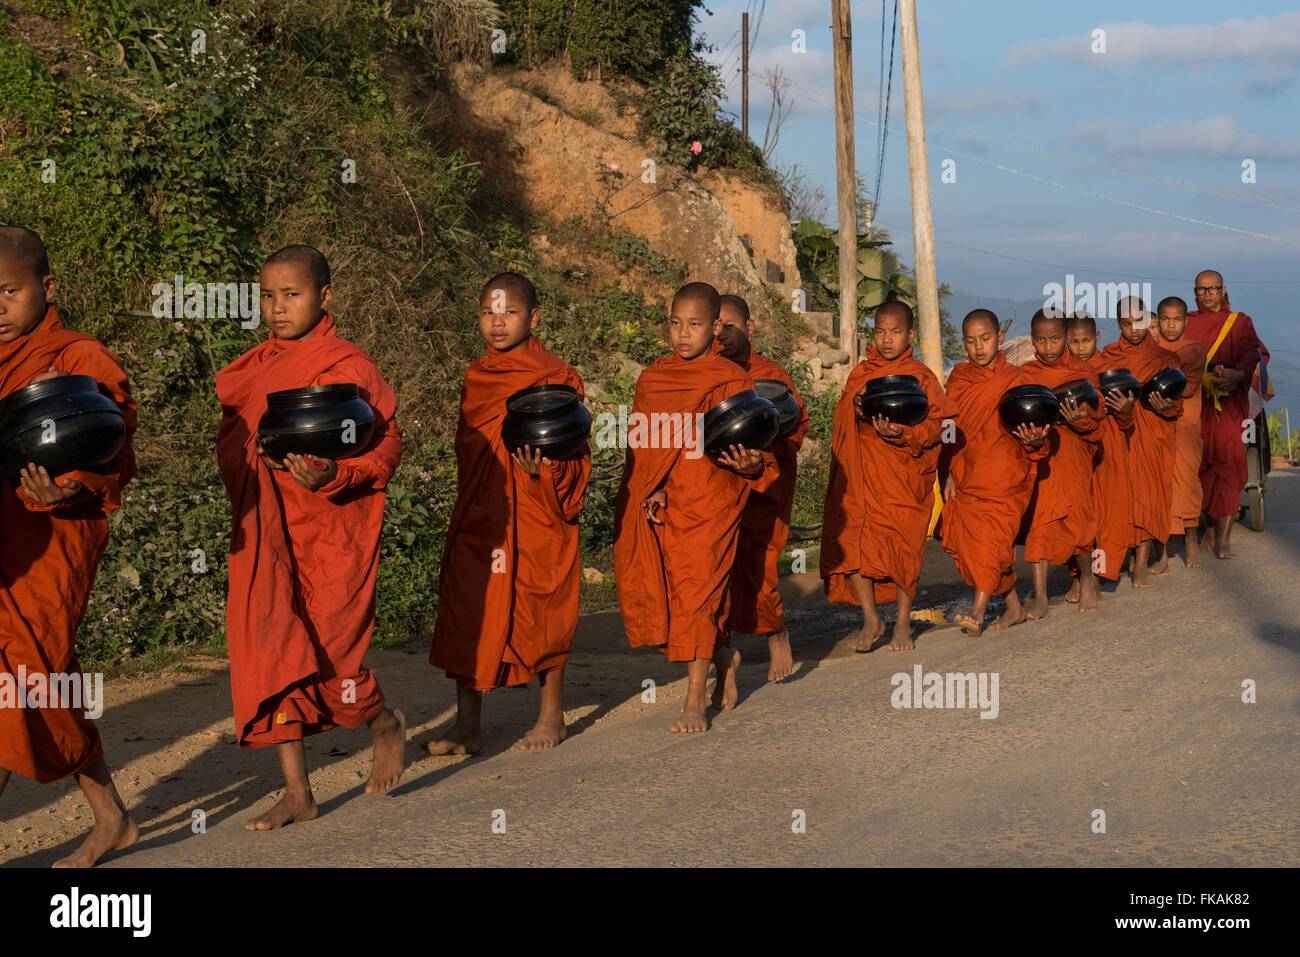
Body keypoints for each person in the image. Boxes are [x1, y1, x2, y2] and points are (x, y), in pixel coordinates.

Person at [216, 244, 406, 831]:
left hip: (331, 531)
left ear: (325, 297)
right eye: (267, 296)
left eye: (291, 295)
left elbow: (386, 447)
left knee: (332, 657)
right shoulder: (256, 366)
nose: (277, 308)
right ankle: (298, 791)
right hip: (268, 534)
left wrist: (338, 474)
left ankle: (380, 720)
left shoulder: (348, 364)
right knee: (274, 649)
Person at [0, 226, 139, 867]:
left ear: (46, 288)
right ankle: (111, 815)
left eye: (9, 291)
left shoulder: (77, 357)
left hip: (56, 537)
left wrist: (71, 485)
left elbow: (112, 437)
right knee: (44, 681)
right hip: (5, 541)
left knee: (23, 675)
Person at [426, 273, 591, 755]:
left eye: (509, 312)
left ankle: (551, 716)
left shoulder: (556, 376)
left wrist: (545, 475)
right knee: (469, 608)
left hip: (540, 507)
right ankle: (468, 725)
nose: (498, 323)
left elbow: (575, 447)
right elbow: (470, 449)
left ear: (533, 318)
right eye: (488, 313)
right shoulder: (477, 377)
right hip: (484, 510)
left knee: (543, 606)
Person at [613, 281, 777, 733]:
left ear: (715, 329)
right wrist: (654, 485)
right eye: (676, 324)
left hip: (714, 500)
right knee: (680, 595)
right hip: (667, 506)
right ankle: (723, 654)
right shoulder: (654, 378)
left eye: (696, 324)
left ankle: (692, 701)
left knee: (700, 590)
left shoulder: (728, 378)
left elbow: (752, 443)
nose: (683, 334)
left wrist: (749, 465)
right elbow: (646, 446)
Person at [820, 300, 954, 651]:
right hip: (862, 475)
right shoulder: (861, 374)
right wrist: (856, 407)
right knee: (853, 543)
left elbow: (942, 425)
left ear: (910, 334)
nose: (887, 339)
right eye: (880, 331)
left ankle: (903, 623)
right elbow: (842, 420)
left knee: (904, 550)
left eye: (895, 332)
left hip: (904, 478)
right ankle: (871, 617)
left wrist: (904, 434)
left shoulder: (922, 376)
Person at [937, 309, 1049, 635]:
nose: (979, 347)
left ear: (999, 338)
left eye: (985, 339)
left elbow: (1040, 428)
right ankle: (1013, 606)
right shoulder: (958, 379)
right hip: (968, 473)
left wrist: (1036, 440)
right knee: (980, 547)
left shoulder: (1018, 379)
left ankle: (977, 609)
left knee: (994, 541)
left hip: (1007, 475)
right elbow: (948, 429)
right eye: (971, 341)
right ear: (963, 343)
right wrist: (946, 472)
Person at [716, 293, 809, 680]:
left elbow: (796, 426)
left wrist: (762, 456)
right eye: (715, 325)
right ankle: (719, 651)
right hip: (718, 480)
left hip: (766, 483)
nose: (720, 334)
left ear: (750, 327)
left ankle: (775, 633)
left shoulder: (771, 374)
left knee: (759, 560)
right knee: (716, 563)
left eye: (730, 326)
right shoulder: (705, 372)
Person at [1019, 309, 1104, 617]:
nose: (1048, 347)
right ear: (1032, 341)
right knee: (1039, 523)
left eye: (1055, 339)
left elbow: (1099, 419)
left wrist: (1081, 420)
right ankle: (1041, 597)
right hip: (1041, 458)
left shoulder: (1083, 372)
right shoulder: (1025, 375)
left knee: (1079, 520)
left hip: (1073, 454)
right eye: (1040, 340)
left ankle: (1087, 577)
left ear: (1066, 338)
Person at [1184, 270, 1267, 559]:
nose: (1207, 294)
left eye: (1213, 288)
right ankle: (1210, 526)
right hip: (1197, 405)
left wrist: (1237, 374)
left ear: (1223, 290)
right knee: (1201, 468)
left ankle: (1225, 538)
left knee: (1229, 467)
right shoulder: (1187, 323)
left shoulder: (1240, 322)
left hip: (1230, 406)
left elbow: (1253, 355)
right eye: (1202, 289)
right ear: (1195, 293)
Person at [1100, 297, 1182, 587]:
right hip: (1120, 437)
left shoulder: (1165, 358)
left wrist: (1164, 408)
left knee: (1147, 497)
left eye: (1138, 322)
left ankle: (1141, 565)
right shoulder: (1107, 358)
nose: (1133, 329)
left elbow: (1177, 407)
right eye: (1126, 323)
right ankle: (1124, 558)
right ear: (1118, 323)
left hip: (1153, 438)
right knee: (1123, 499)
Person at [1065, 312, 1135, 598]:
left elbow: (1128, 419)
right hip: (1076, 451)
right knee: (1079, 514)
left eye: (1085, 341)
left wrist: (1126, 411)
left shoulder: (1112, 371)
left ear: (1097, 338)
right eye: (1074, 342)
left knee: (1108, 517)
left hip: (1109, 450)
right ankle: (1079, 574)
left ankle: (1094, 577)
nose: (1080, 348)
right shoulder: (1062, 371)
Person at [1154, 296, 1207, 569]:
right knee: (1158, 485)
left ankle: (1190, 542)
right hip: (1156, 425)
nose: (1171, 325)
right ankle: (1161, 554)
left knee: (1187, 483)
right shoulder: (1150, 349)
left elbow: (1187, 387)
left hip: (1185, 425)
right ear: (1158, 320)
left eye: (1176, 319)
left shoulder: (1194, 350)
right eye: (1165, 319)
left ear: (1185, 321)